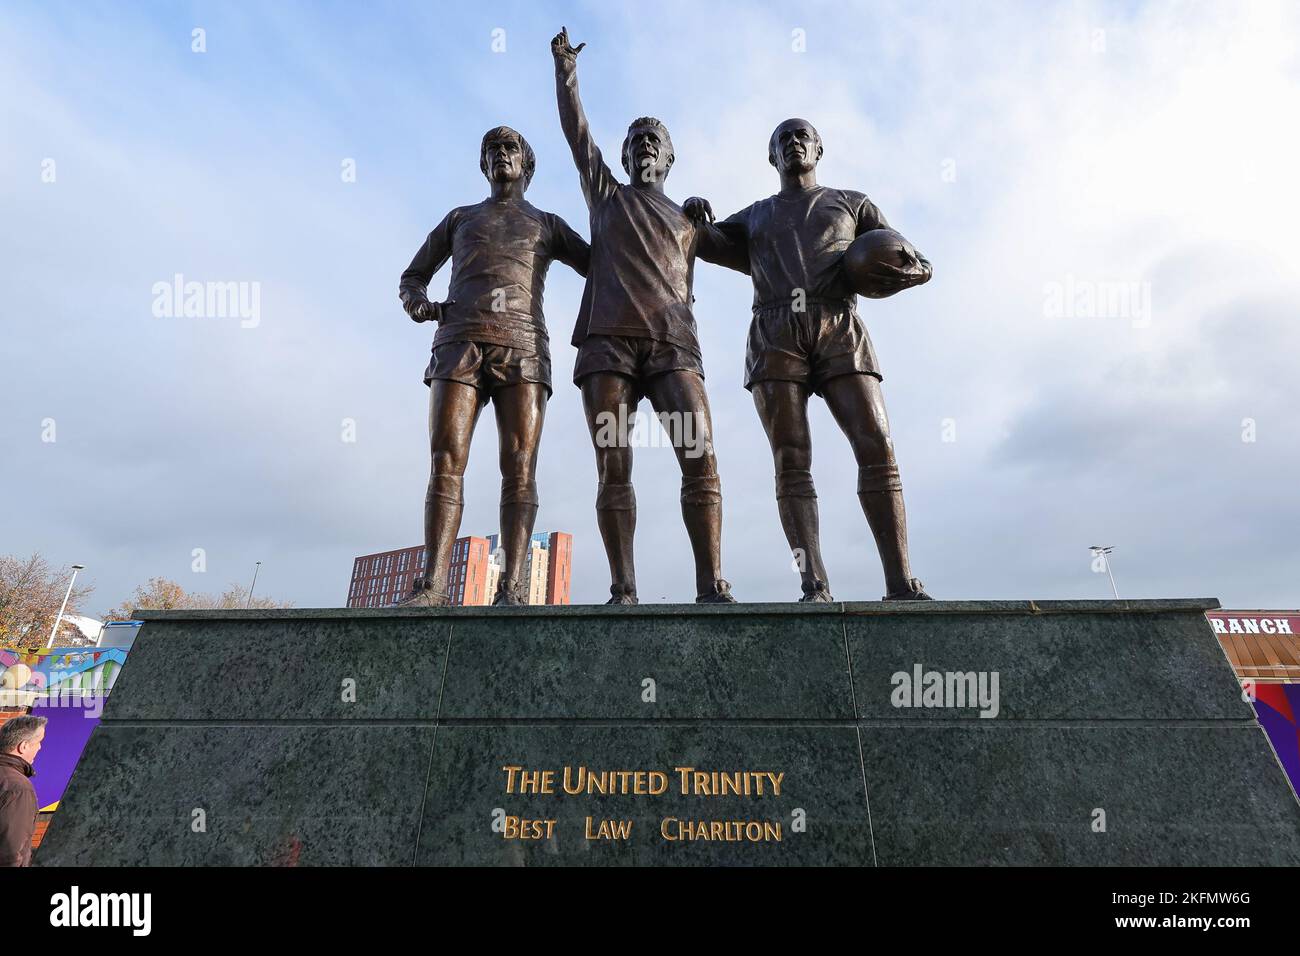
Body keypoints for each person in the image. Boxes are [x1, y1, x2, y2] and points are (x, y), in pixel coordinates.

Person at [685, 118, 932, 602]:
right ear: (771, 157)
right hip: (776, 331)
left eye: (802, 137)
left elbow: (910, 256)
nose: (793, 143)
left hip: (838, 323)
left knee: (877, 444)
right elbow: (707, 242)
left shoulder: (852, 202)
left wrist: (914, 271)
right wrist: (695, 216)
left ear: (819, 149)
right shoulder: (756, 215)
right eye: (782, 139)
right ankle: (813, 582)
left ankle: (899, 580)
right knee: (791, 459)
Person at [551, 26, 742, 604]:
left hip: (671, 350)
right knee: (614, 466)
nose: (642, 146)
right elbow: (577, 134)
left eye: (653, 138)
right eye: (634, 139)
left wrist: (711, 221)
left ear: (671, 156)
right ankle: (623, 588)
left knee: (699, 460)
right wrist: (566, 73)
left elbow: (753, 254)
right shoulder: (606, 194)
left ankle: (710, 584)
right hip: (608, 346)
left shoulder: (690, 222)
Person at [398, 126, 590, 606]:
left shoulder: (547, 223)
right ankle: (433, 585)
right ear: (484, 165)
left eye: (511, 149)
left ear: (527, 163)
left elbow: (603, 267)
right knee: (446, 461)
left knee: (520, 467)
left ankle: (513, 587)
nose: (502, 155)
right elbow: (413, 275)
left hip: (522, 351)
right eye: (493, 151)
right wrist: (418, 301)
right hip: (458, 344)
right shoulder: (460, 218)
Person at [0, 715, 46, 867]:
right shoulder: (18, 788)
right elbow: (12, 852)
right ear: (23, 746)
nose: (40, 747)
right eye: (39, 742)